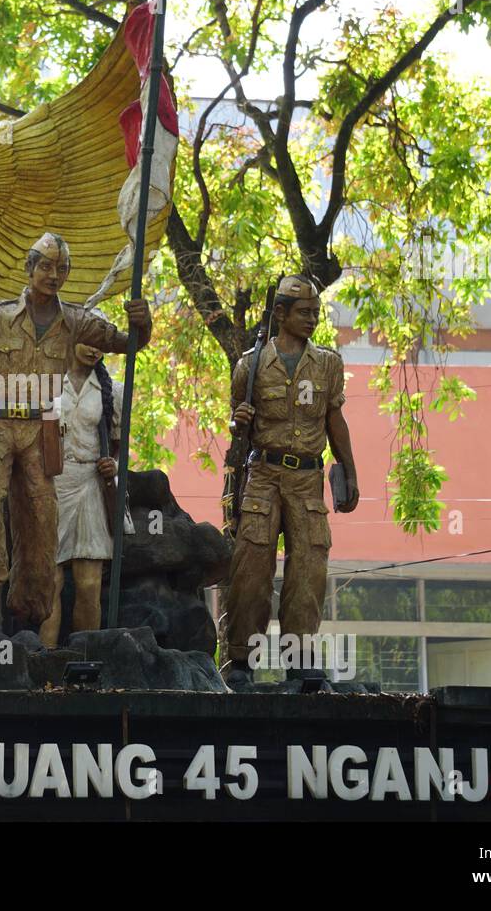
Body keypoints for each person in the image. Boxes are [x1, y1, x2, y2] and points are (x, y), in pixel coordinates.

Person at [0, 232, 152, 628]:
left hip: (42, 429)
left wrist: (144, 322)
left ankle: (30, 616)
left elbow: (129, 343)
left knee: (41, 517)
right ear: (30, 268)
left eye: (60, 269)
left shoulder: (75, 321)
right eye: (45, 266)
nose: (53, 275)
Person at [221, 274, 359, 688]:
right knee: (252, 568)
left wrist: (349, 469)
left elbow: (335, 418)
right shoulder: (250, 364)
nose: (312, 319)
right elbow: (237, 426)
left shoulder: (329, 364)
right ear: (279, 313)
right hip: (262, 475)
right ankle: (241, 661)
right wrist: (236, 422)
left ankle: (299, 661)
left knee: (309, 570)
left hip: (307, 479)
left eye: (316, 312)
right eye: (304, 312)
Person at [39, 340, 132, 648]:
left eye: (101, 344)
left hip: (92, 484)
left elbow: (117, 445)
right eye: (88, 342)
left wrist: (111, 466)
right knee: (49, 582)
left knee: (90, 584)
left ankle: (84, 658)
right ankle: (47, 658)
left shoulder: (112, 391)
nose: (94, 349)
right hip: (53, 483)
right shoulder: (47, 382)